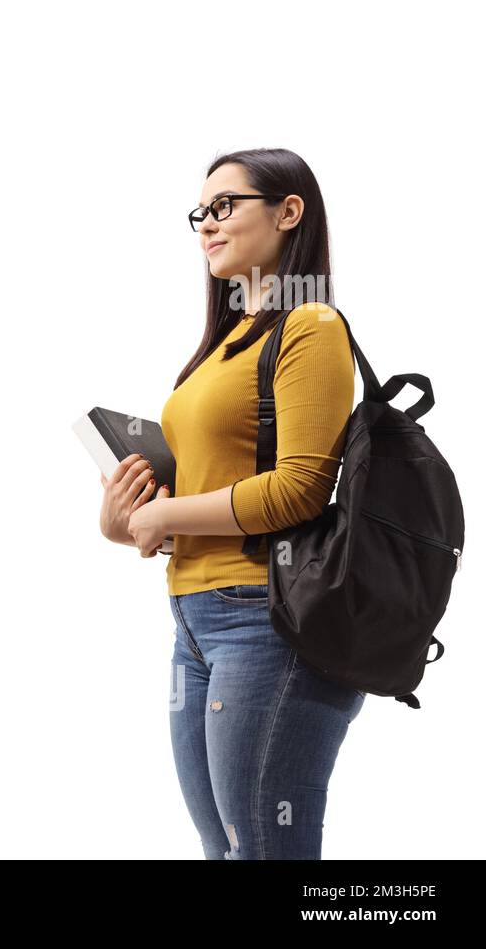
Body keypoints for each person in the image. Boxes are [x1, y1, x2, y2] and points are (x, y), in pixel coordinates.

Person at [98, 148, 363, 859]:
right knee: (229, 852)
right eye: (200, 214)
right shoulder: (223, 346)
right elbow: (210, 489)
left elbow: (300, 487)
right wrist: (126, 518)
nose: (207, 225)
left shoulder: (311, 327)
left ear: (288, 211)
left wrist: (165, 516)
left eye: (225, 207)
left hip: (269, 623)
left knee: (267, 852)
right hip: (194, 620)